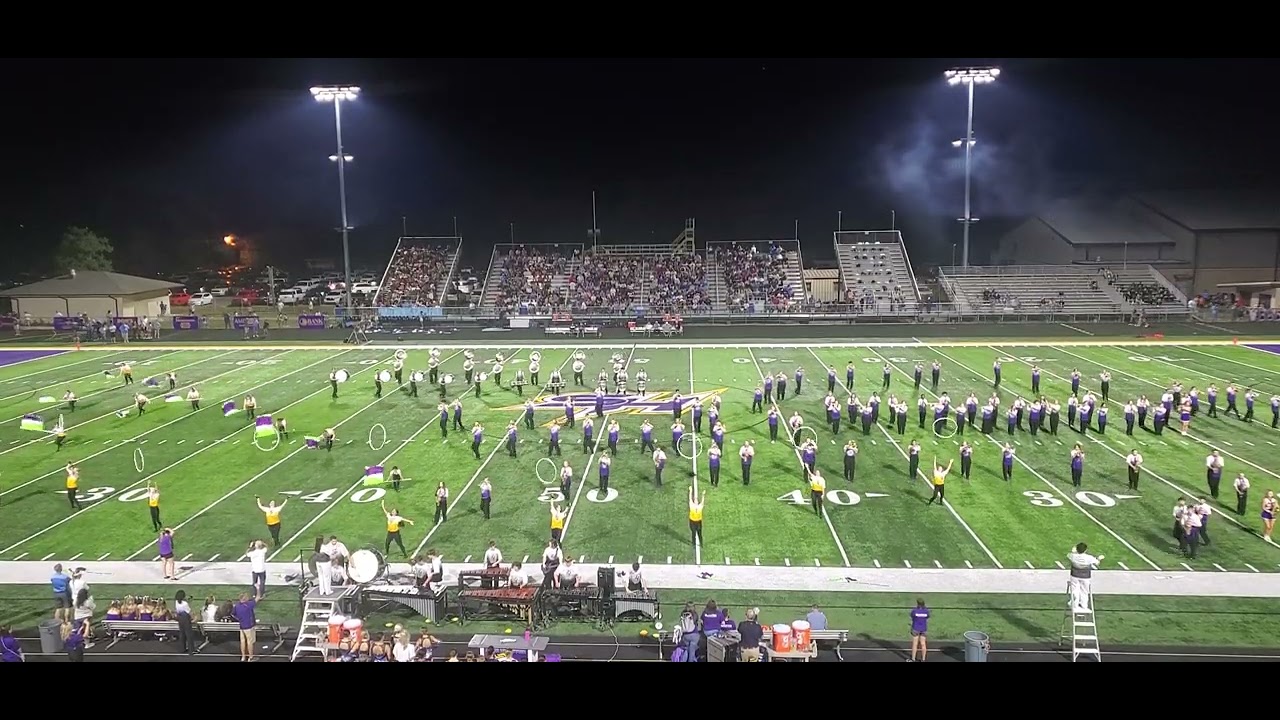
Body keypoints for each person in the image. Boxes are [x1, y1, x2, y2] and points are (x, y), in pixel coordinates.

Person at [1067, 542, 1104, 609]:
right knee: (1084, 591)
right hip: (1086, 577)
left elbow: (1069, 555)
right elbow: (1097, 563)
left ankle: (1075, 602)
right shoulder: (1089, 558)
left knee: (1075, 589)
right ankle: (1084, 605)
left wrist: (1074, 552)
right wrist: (1099, 558)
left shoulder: (1073, 556)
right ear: (1085, 550)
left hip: (1074, 575)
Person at [173, 590, 200, 655]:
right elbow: (189, 612)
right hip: (185, 618)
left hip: (180, 618)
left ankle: (182, 648)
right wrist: (194, 618)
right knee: (189, 634)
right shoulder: (185, 604)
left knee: (182, 633)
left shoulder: (176, 602)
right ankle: (192, 650)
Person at [233, 592, 257, 662]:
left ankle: (243, 657)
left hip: (242, 626)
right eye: (246, 597)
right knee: (250, 642)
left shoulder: (237, 606)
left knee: (242, 641)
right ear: (245, 599)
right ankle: (250, 657)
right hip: (248, 626)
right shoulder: (248, 605)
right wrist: (258, 588)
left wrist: (239, 619)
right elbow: (258, 597)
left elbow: (233, 614)